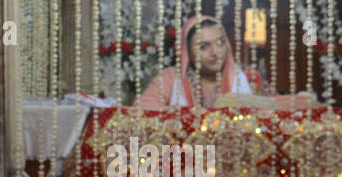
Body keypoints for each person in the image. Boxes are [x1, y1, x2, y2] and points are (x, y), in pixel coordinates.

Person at [134, 14, 316, 110]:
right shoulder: (171, 78)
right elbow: (141, 110)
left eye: (221, 42)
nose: (216, 52)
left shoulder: (246, 76)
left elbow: (276, 105)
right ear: (188, 52)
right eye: (204, 46)